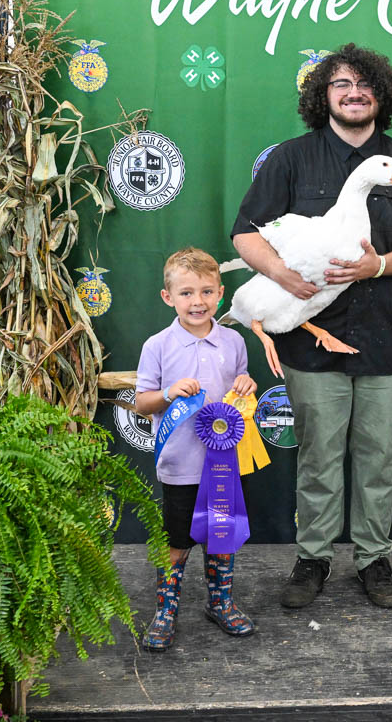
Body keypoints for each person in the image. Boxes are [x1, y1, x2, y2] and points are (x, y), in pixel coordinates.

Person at [231, 43, 392, 609]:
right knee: (319, 453)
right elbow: (246, 234)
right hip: (310, 338)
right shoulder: (290, 159)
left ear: (383, 93)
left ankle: (375, 558)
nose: (354, 93)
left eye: (364, 84)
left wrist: (379, 264)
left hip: (390, 332)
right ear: (322, 95)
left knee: (380, 454)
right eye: (341, 84)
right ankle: (313, 558)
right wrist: (283, 274)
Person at [134, 247, 258, 651]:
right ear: (168, 297)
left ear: (221, 294)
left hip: (222, 465)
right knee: (176, 538)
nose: (197, 301)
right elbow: (141, 402)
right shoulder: (157, 345)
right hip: (181, 464)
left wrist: (247, 386)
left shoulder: (234, 341)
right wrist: (168, 393)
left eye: (206, 292)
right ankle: (165, 610)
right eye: (186, 293)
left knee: (221, 534)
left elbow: (241, 388)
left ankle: (220, 602)